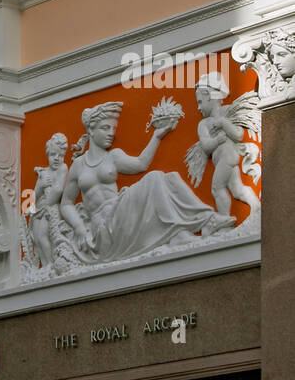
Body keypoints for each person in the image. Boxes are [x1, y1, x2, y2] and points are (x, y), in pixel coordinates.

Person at [59, 102, 234, 264]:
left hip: (121, 213)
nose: (111, 133)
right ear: (91, 130)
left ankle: (198, 224)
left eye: (113, 128)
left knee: (170, 177)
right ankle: (183, 229)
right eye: (105, 128)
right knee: (154, 178)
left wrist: (156, 137)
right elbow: (66, 203)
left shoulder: (113, 156)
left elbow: (141, 164)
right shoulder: (78, 165)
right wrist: (79, 228)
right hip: (104, 229)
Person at [186, 75, 260, 218]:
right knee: (237, 190)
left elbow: (238, 135)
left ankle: (224, 219)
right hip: (223, 160)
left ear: (209, 96)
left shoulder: (227, 113)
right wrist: (217, 141)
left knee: (217, 188)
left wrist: (223, 124)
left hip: (227, 156)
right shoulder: (203, 124)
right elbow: (206, 147)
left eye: (200, 102)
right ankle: (256, 207)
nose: (198, 107)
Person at [29, 133, 69, 266]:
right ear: (48, 155)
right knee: (38, 240)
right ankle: (44, 267)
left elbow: (58, 190)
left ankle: (50, 266)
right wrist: (40, 187)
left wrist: (48, 204)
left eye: (61, 156)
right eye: (53, 155)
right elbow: (29, 200)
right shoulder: (42, 173)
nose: (57, 159)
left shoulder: (63, 169)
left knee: (44, 237)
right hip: (38, 211)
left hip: (50, 209)